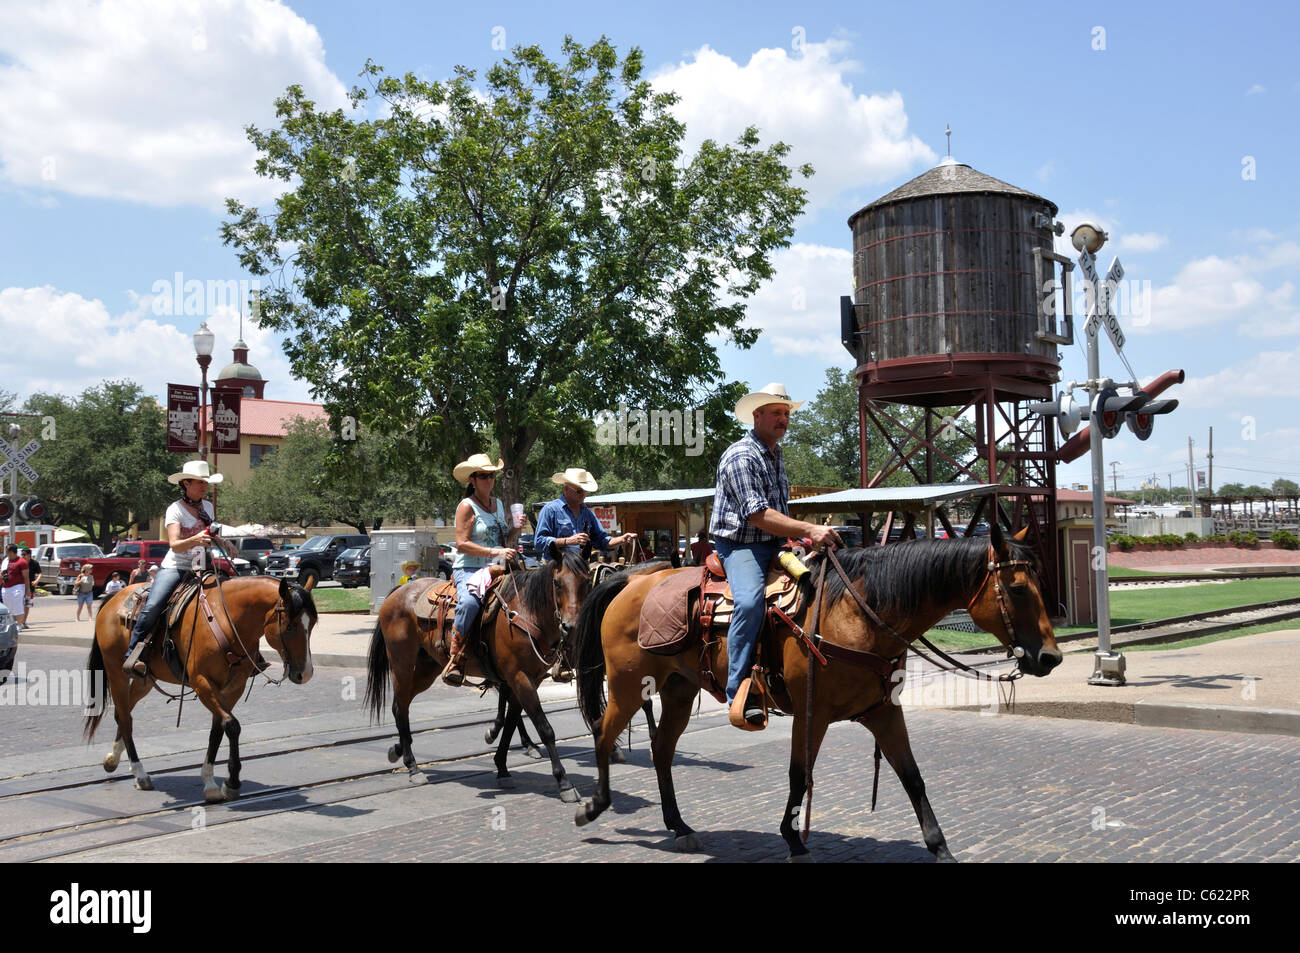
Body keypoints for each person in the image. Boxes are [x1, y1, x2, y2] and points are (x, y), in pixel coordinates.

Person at [709, 383, 842, 727]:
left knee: (819, 582)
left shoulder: (775, 453)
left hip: (773, 543)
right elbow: (756, 514)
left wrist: (800, 541)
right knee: (751, 603)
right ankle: (738, 689)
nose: (784, 419)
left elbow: (777, 512)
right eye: (776, 413)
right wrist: (809, 530)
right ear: (757, 416)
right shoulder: (741, 456)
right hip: (739, 545)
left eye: (786, 414)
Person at [122, 459, 238, 678]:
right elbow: (174, 544)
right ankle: (133, 654)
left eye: (206, 482)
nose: (204, 486)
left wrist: (224, 542)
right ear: (186, 483)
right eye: (199, 483)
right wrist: (196, 538)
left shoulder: (208, 507)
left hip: (202, 564)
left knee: (229, 599)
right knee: (154, 604)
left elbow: (210, 534)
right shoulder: (174, 509)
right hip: (176, 566)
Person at [442, 454, 522, 687]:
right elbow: (461, 543)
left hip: (496, 567)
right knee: (470, 603)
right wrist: (494, 553)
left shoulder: (497, 504)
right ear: (473, 480)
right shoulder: (466, 506)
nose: (489, 479)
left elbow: (502, 538)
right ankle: (455, 656)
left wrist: (515, 529)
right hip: (468, 568)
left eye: (492, 475)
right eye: (483, 476)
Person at [533, 468, 635, 561]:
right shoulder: (550, 510)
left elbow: (602, 540)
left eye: (585, 491)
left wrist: (621, 539)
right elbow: (539, 542)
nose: (584, 494)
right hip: (556, 566)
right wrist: (567, 541)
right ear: (566, 489)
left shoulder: (587, 513)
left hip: (580, 566)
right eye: (579, 491)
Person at [1, 545, 29, 630]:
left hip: (17, 586)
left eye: (7, 551)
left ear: (11, 552)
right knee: (8, 608)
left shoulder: (21, 562)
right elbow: (2, 573)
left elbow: (26, 577)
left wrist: (28, 590)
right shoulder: (5, 561)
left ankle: (19, 625)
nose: (6, 553)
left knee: (18, 606)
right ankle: (11, 625)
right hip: (6, 587)